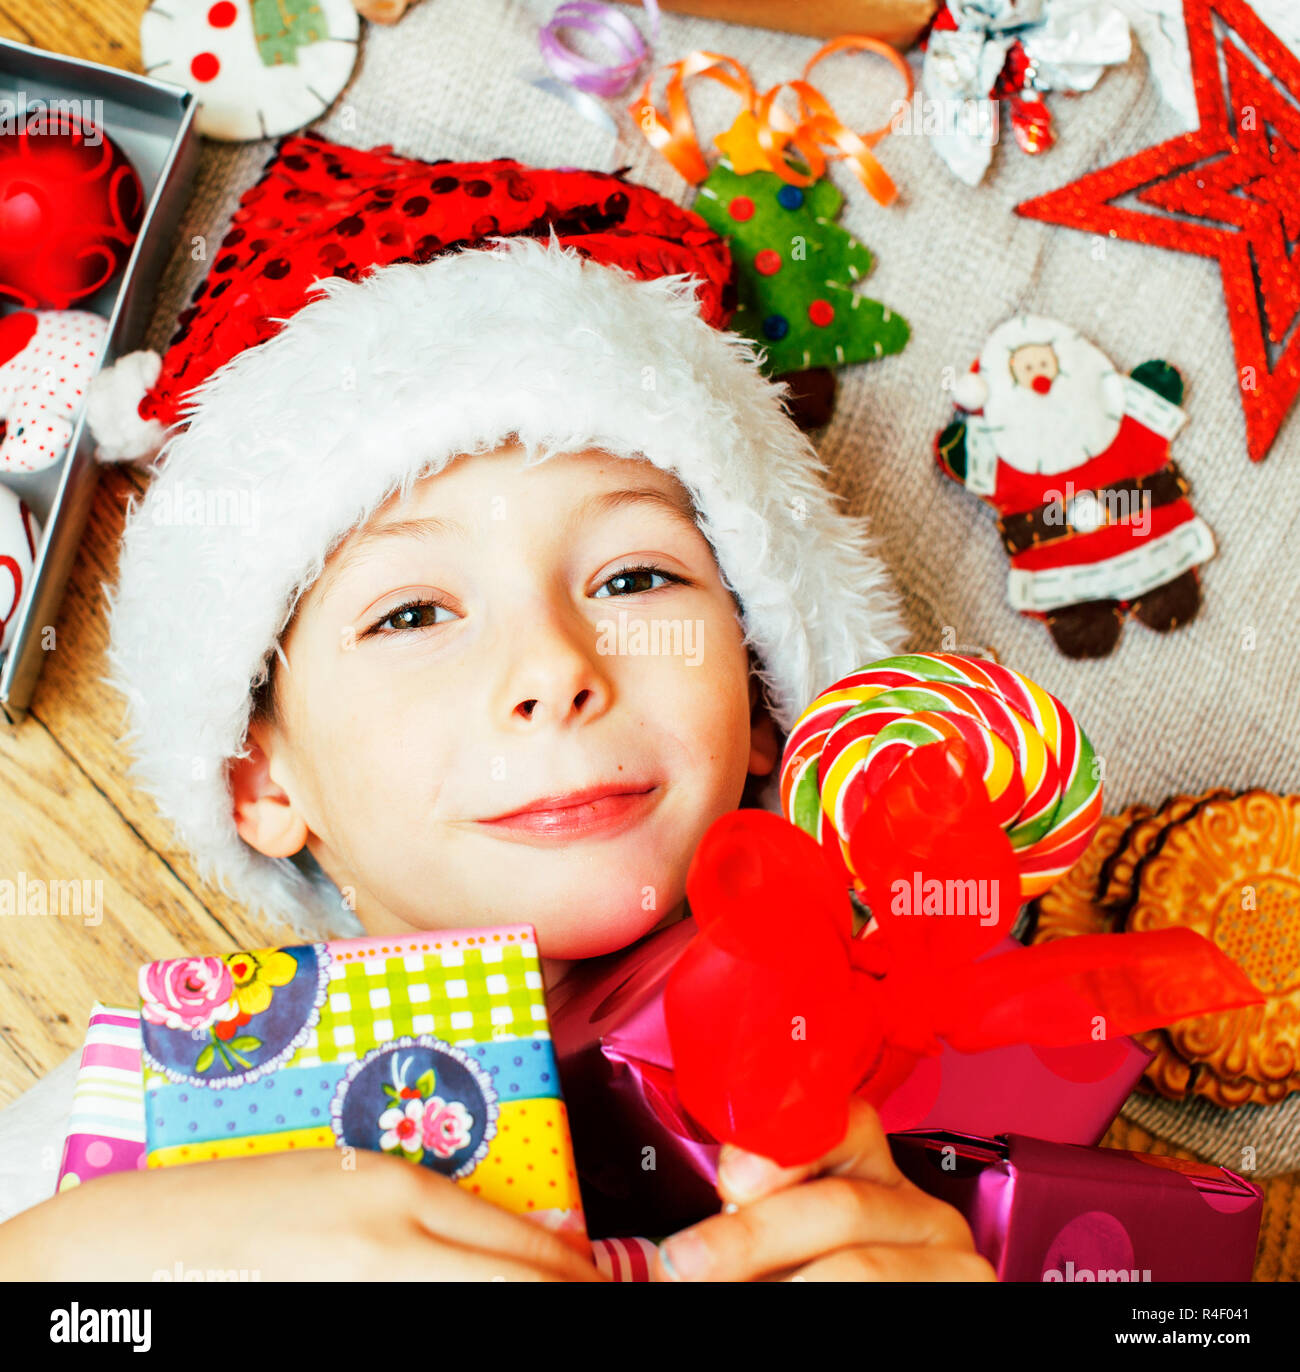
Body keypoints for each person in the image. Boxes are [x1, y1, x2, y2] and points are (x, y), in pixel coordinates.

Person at [0, 233, 992, 1282]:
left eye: (632, 581)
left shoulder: (919, 1147)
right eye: (413, 611)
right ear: (260, 779)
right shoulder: (131, 1128)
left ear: (761, 701)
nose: (553, 667)